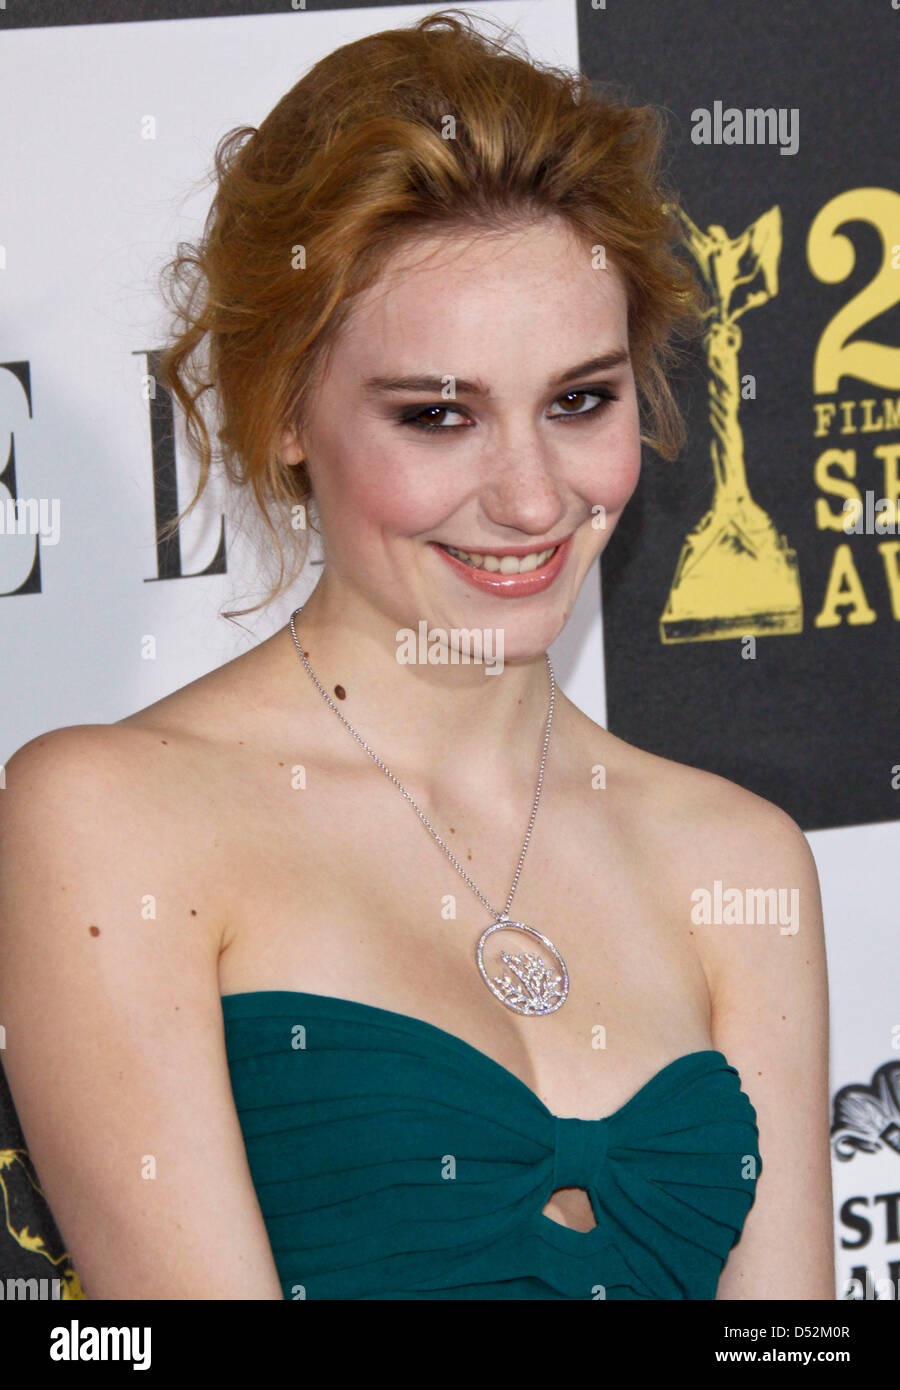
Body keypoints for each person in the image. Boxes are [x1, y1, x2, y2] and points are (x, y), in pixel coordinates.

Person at [0, 9, 832, 1299]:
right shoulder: (110, 822)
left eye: (580, 400)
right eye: (438, 415)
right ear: (282, 411)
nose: (531, 496)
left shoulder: (737, 858)